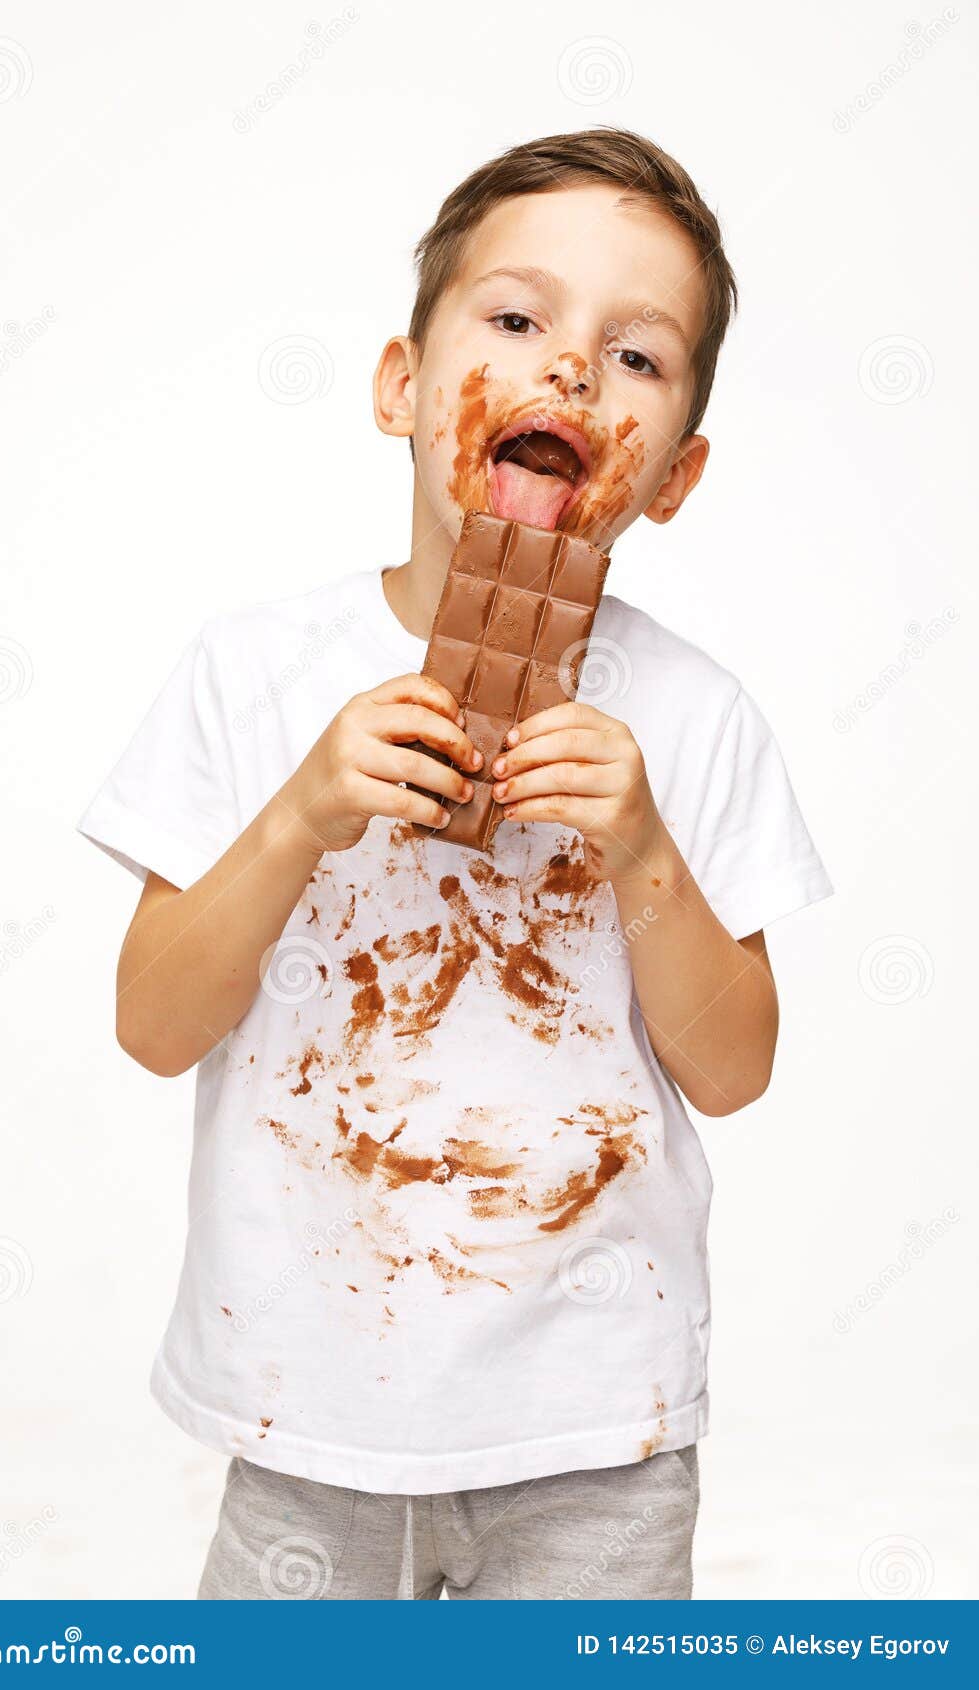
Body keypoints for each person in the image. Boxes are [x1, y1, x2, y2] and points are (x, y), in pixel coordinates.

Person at [77, 128, 833, 1601]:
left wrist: (643, 849)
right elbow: (154, 1022)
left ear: (672, 473)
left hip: (593, 1433)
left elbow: (736, 1068)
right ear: (401, 388)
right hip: (311, 1415)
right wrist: (301, 810)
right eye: (515, 318)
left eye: (636, 356)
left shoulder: (689, 718)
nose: (568, 370)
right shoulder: (257, 675)